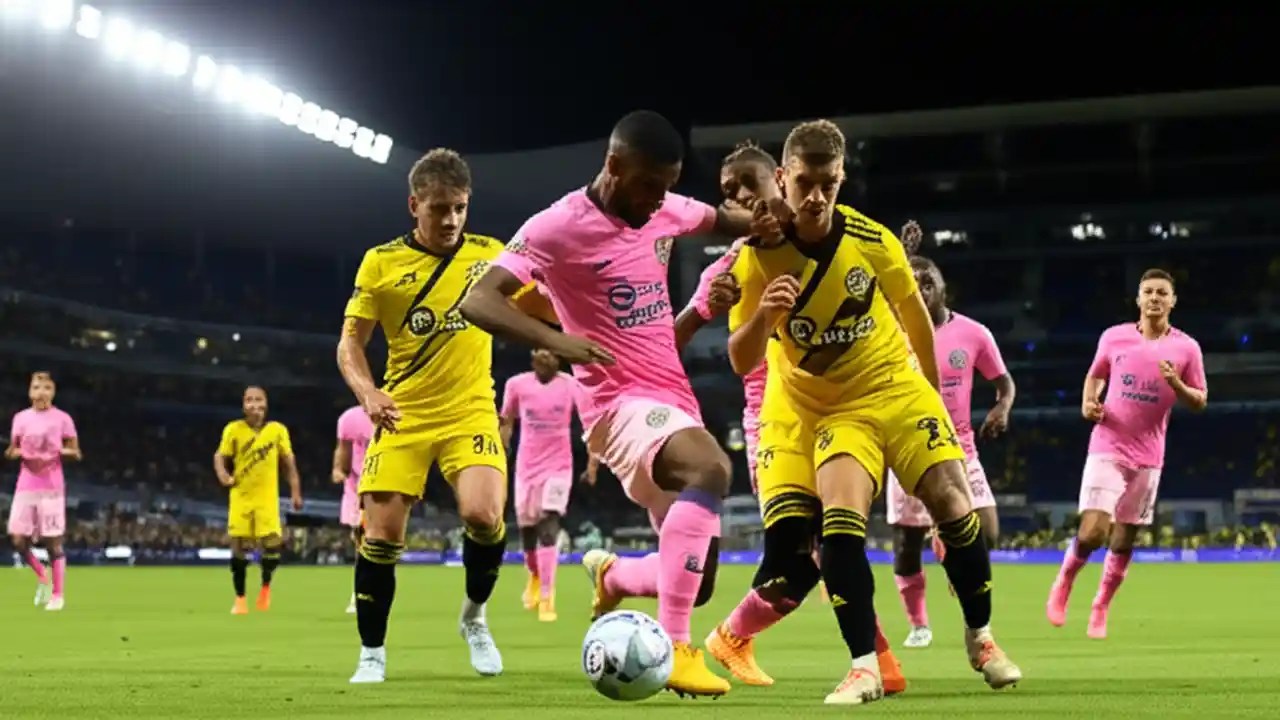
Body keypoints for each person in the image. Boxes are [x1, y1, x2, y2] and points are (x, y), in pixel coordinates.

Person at [460, 109, 788, 698]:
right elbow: (478, 300)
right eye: (647, 185)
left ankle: (613, 575)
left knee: (696, 580)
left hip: (671, 398)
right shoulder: (556, 226)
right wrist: (559, 341)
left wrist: (763, 221)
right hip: (616, 405)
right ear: (613, 165)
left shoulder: (663, 206)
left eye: (666, 187)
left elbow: (722, 219)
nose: (656, 200)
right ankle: (679, 653)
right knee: (712, 468)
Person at [725, 119, 1021, 704]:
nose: (816, 197)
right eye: (804, 183)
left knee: (954, 503)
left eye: (829, 184)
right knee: (840, 525)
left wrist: (934, 406)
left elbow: (916, 320)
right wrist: (764, 317)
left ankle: (982, 638)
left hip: (897, 388)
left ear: (842, 179)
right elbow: (740, 358)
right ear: (782, 177)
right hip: (833, 409)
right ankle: (864, 668)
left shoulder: (872, 240)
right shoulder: (755, 259)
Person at [338, 147, 554, 684]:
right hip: (403, 414)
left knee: (484, 516)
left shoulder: (491, 255)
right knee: (381, 536)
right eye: (439, 208)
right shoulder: (381, 262)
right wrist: (368, 392)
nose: (451, 219)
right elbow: (350, 344)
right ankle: (372, 653)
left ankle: (474, 618)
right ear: (415, 205)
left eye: (460, 207)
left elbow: (541, 307)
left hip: (470, 412)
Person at [698, 143, 906, 694]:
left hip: (840, 407)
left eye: (750, 184)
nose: (741, 198)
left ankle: (876, 658)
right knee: (804, 557)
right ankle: (733, 635)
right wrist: (715, 298)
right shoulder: (737, 259)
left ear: (781, 179)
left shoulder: (833, 235)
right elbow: (703, 321)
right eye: (729, 192)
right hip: (775, 417)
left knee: (831, 542)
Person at [1047, 268, 1206, 638]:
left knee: (1123, 539)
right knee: (1093, 532)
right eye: (1148, 291)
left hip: (1148, 455)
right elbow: (1095, 374)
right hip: (1108, 444)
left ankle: (1101, 606)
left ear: (1173, 301)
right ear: (1138, 299)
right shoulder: (1114, 337)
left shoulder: (1187, 348)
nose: (1154, 298)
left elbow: (1200, 400)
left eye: (1162, 292)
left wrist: (1176, 384)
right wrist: (1089, 401)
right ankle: (1065, 582)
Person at [887, 247, 1016, 649]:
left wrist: (1001, 408)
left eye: (929, 282)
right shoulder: (892, 332)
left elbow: (1004, 382)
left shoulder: (974, 333)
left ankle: (950, 550)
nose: (921, 289)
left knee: (987, 533)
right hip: (906, 446)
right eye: (913, 284)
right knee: (907, 546)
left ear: (944, 289)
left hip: (960, 447)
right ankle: (919, 624)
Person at [499, 348, 583, 622]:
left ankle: (548, 596)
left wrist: (594, 460)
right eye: (542, 353)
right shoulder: (517, 385)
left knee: (549, 524)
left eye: (553, 354)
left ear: (559, 359)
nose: (547, 358)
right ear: (533, 357)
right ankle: (534, 575)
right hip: (527, 468)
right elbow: (507, 419)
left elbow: (589, 419)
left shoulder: (571, 385)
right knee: (527, 531)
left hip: (559, 467)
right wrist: (501, 449)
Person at [214, 385, 303, 615]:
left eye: (259, 399)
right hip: (241, 496)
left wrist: (295, 491)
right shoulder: (234, 429)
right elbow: (219, 456)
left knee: (272, 546)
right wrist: (223, 475)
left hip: (267, 498)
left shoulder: (277, 430)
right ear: (243, 405)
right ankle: (240, 598)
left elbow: (289, 463)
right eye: (249, 400)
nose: (254, 404)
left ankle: (265, 587)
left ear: (266, 404)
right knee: (238, 546)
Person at [5, 371, 79, 611]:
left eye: (46, 388)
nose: (41, 392)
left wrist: (57, 451)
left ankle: (58, 595)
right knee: (17, 538)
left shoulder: (63, 419)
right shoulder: (20, 418)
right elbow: (11, 450)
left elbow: (76, 452)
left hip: (51, 487)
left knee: (52, 542)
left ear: (53, 392)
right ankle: (41, 574)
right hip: (26, 485)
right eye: (36, 387)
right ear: (30, 391)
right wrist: (21, 453)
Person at [333, 404, 374, 614]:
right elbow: (342, 448)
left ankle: (368, 589)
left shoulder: (393, 415)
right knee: (361, 540)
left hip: (381, 486)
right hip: (355, 487)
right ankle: (360, 592)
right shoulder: (349, 418)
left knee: (373, 542)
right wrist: (338, 469)